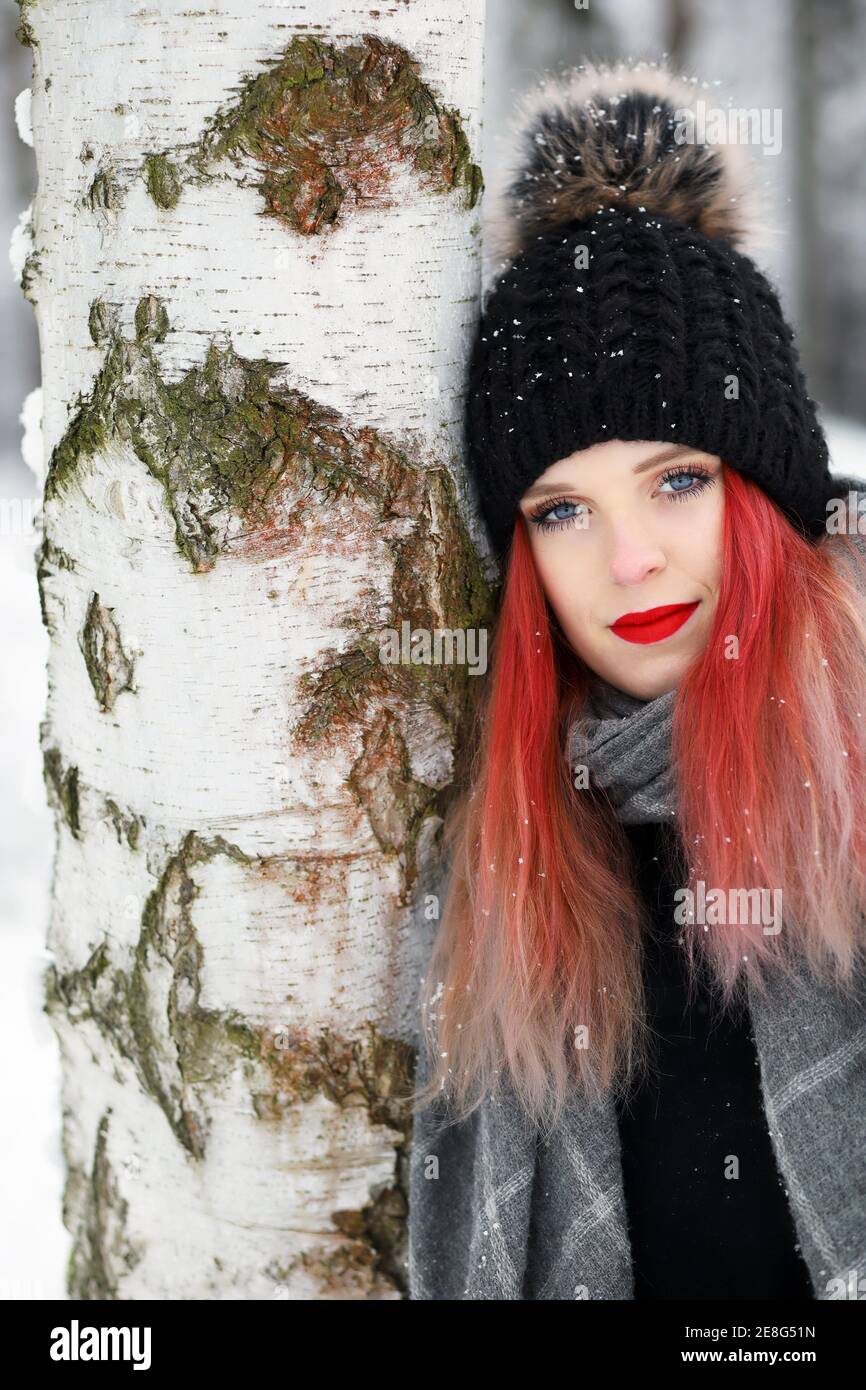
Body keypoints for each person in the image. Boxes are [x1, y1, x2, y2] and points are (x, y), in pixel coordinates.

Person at [406, 59, 866, 1301]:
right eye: (560, 509)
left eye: (675, 479)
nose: (626, 557)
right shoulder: (504, 879)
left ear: (767, 493)